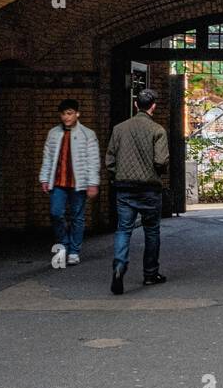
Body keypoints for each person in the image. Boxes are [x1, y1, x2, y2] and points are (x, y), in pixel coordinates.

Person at [105, 88, 169, 295]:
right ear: (154, 106)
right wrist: (158, 172)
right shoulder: (158, 130)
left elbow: (110, 160)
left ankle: (119, 266)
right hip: (149, 189)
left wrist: (116, 176)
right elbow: (161, 161)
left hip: (124, 188)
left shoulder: (119, 129)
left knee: (124, 229)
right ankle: (150, 274)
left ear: (135, 105)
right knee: (152, 230)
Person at [39, 99, 100, 269]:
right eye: (64, 113)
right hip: (58, 181)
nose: (66, 117)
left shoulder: (88, 134)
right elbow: (48, 158)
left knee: (77, 217)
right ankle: (63, 244)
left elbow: (93, 161)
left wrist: (92, 183)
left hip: (78, 182)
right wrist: (44, 178)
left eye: (70, 113)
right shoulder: (53, 133)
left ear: (77, 114)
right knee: (56, 213)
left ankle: (74, 251)